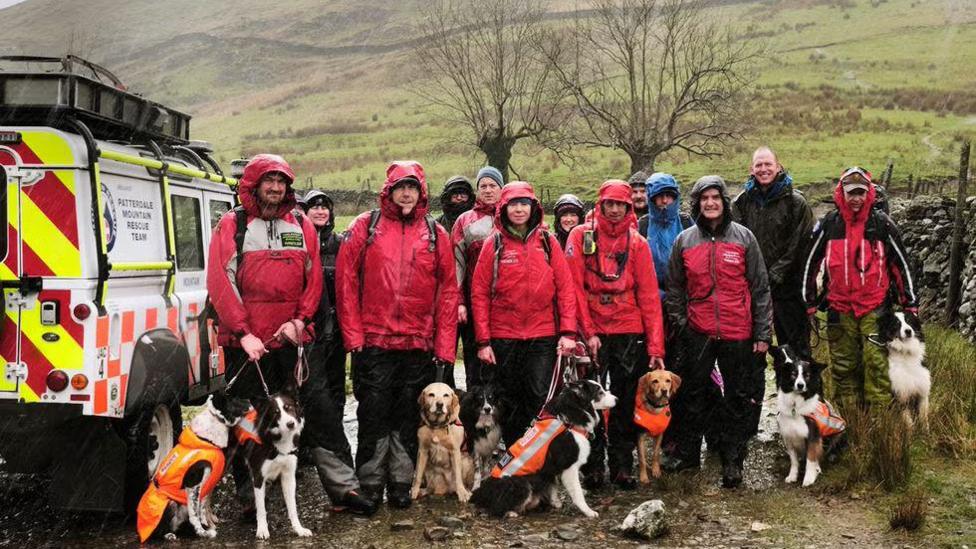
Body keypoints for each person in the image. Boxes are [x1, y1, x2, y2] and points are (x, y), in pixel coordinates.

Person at [205, 154, 325, 513]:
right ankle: (247, 489)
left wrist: (300, 321)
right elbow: (220, 283)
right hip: (248, 345)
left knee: (287, 411)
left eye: (281, 182)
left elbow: (313, 278)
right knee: (248, 419)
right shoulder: (232, 224)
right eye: (268, 181)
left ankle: (282, 471)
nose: (275, 188)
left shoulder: (302, 225)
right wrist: (243, 333)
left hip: (287, 340)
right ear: (254, 186)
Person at [336, 160, 459, 509]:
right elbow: (346, 282)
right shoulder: (365, 226)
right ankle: (371, 482)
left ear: (421, 193)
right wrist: (354, 337)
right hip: (374, 342)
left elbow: (448, 292)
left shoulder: (436, 234)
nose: (406, 193)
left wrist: (445, 347)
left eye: (413, 187)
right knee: (373, 413)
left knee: (408, 414)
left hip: (417, 344)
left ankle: (402, 483)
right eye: (399, 187)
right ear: (388, 192)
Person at [665, 175, 772, 489]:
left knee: (737, 397)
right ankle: (687, 454)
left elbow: (761, 288)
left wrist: (762, 333)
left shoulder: (744, 238)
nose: (710, 203)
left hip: (738, 330)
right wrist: (683, 325)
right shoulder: (684, 240)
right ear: (696, 203)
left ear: (724, 202)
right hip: (698, 330)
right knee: (692, 394)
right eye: (704, 198)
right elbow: (674, 288)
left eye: (715, 198)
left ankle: (732, 460)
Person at [564, 180, 666, 490]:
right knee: (588, 401)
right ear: (600, 203)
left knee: (623, 401)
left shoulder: (638, 244)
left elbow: (649, 297)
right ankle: (593, 466)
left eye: (620, 204)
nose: (614, 209)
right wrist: (587, 331)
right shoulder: (581, 236)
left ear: (628, 207)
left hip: (627, 328)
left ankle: (622, 465)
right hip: (592, 327)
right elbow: (574, 288)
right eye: (609, 203)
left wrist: (655, 345)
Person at [470, 181, 577, 447]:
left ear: (533, 208)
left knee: (540, 396)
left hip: (542, 335)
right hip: (504, 335)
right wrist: (483, 342)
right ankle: (516, 456)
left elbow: (565, 289)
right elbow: (479, 294)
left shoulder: (548, 242)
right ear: (503, 209)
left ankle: (539, 454)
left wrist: (567, 333)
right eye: (513, 204)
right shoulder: (493, 245)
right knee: (510, 398)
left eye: (524, 204)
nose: (518, 210)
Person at [802, 167, 917, 411]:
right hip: (839, 308)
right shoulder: (829, 224)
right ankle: (850, 421)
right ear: (841, 193)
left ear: (869, 194)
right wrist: (809, 302)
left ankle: (879, 423)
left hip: (875, 309)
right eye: (851, 193)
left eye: (861, 193)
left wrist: (910, 303)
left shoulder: (882, 224)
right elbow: (810, 264)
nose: (856, 199)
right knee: (844, 367)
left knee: (877, 365)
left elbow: (900, 265)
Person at [295, 189, 377, 514]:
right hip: (305, 327)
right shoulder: (298, 240)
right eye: (313, 206)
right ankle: (298, 452)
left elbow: (350, 284)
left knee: (331, 393)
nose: (319, 211)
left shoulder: (340, 243)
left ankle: (332, 462)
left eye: (323, 207)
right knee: (300, 396)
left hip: (334, 326)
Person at [732, 147, 815, 357]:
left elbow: (800, 243)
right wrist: (755, 277)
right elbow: (736, 242)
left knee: (796, 350)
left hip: (789, 288)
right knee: (753, 349)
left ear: (778, 167)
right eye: (758, 165)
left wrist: (776, 273)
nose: (763, 169)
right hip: (752, 288)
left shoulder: (796, 203)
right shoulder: (741, 203)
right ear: (751, 169)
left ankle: (801, 389)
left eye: (768, 164)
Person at [452, 166, 505, 389]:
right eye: (483, 186)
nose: (488, 190)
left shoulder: (515, 214)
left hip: (506, 305)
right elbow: (457, 265)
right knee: (476, 363)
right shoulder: (465, 221)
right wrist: (459, 302)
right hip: (475, 305)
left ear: (502, 189)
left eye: (493, 185)